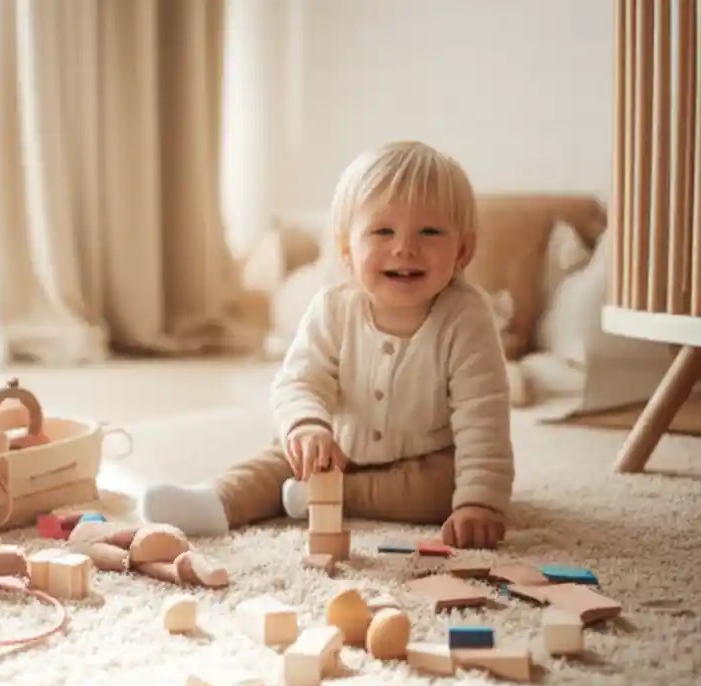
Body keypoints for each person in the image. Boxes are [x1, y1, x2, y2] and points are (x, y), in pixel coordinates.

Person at [140, 140, 513, 549]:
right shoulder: (333, 307)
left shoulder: (467, 319)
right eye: (382, 231)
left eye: (429, 231)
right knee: (276, 461)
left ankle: (325, 497)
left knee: (445, 486)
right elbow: (299, 381)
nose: (405, 247)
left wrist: (479, 503)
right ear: (347, 251)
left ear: (463, 249)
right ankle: (215, 499)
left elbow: (483, 421)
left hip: (424, 459)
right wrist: (306, 425)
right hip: (334, 450)